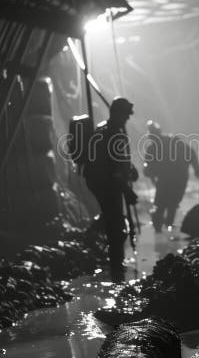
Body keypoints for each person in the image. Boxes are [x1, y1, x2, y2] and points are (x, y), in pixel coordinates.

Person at [83, 97, 138, 282]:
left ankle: (97, 236)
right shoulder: (115, 133)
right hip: (108, 185)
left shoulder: (103, 129)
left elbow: (119, 163)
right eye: (126, 114)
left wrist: (130, 169)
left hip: (99, 183)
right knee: (117, 229)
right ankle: (117, 274)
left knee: (112, 219)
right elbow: (114, 171)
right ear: (118, 112)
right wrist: (128, 191)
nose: (128, 118)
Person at [143, 120, 199, 232]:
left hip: (171, 179)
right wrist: (197, 170)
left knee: (165, 203)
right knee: (171, 202)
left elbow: (147, 168)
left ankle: (162, 227)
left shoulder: (158, 146)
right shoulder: (171, 143)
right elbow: (191, 153)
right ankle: (166, 225)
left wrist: (197, 169)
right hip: (176, 179)